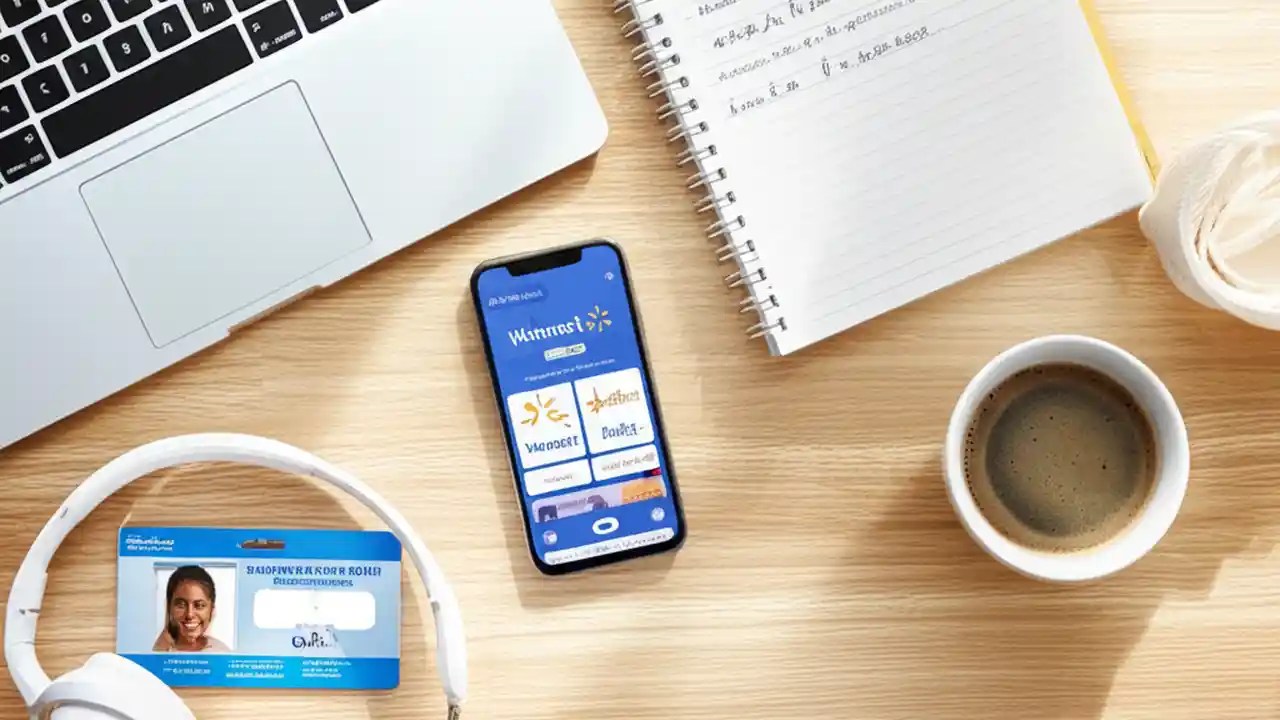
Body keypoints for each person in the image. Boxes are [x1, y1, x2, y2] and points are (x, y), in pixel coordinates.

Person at [152, 565, 231, 653]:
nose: (189, 614)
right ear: (169, 606)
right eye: (181, 605)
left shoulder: (222, 653)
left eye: (199, 605)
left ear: (211, 610)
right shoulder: (155, 651)